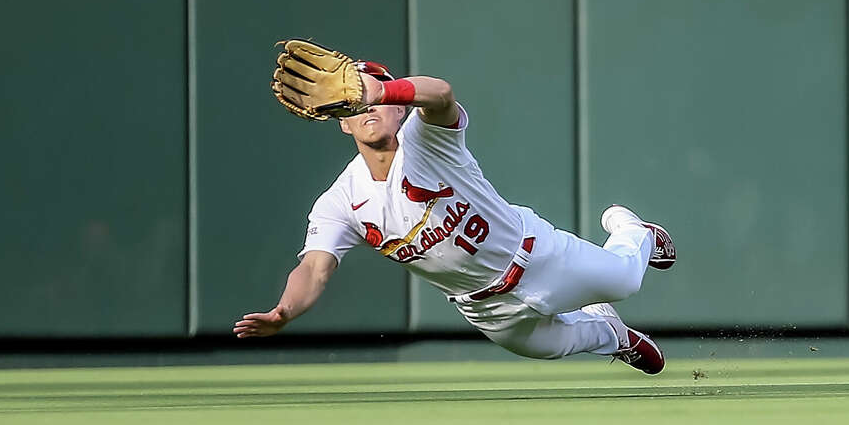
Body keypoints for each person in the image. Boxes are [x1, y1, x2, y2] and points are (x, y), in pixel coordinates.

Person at [234, 62, 676, 374]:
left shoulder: (425, 139)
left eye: (374, 95)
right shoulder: (340, 202)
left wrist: (382, 90)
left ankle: (632, 230)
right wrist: (284, 312)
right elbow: (314, 267)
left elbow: (441, 94)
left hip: (535, 256)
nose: (365, 106)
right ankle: (615, 336)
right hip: (485, 307)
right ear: (342, 124)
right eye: (352, 103)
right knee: (551, 347)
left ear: (400, 106)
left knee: (626, 280)